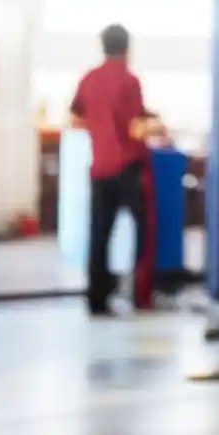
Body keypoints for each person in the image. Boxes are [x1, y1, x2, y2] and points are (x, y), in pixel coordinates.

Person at [70, 24, 164, 316]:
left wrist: (101, 130)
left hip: (100, 169)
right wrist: (158, 126)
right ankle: (141, 296)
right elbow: (136, 128)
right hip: (130, 168)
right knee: (144, 232)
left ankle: (96, 300)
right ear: (128, 47)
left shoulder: (89, 79)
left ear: (102, 46)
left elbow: (75, 119)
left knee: (99, 234)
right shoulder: (129, 80)